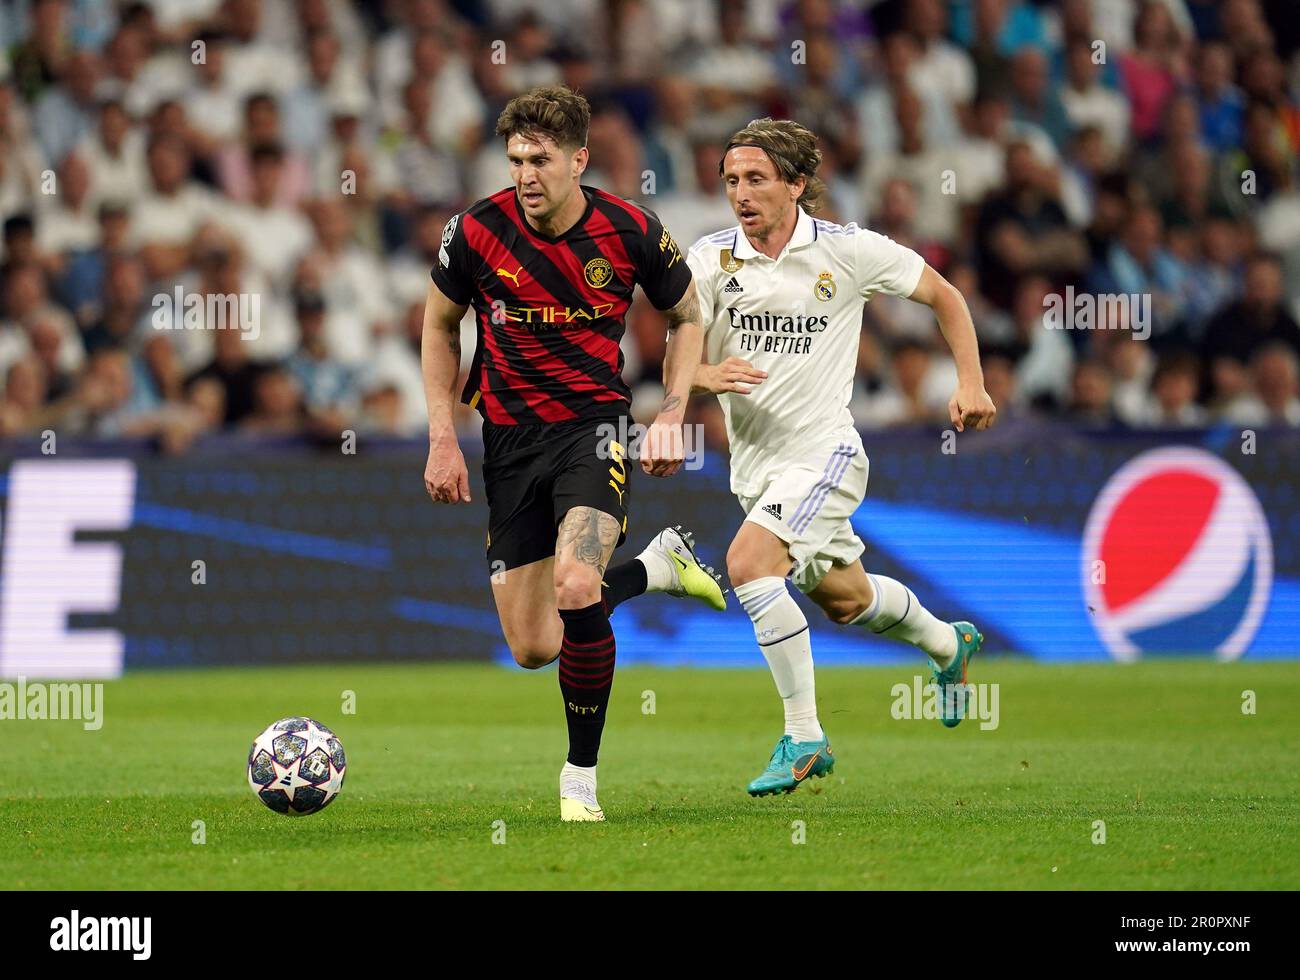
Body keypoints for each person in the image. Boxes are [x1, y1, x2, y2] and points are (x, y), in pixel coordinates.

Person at [420, 86, 724, 822]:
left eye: (542, 159)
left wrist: (672, 409)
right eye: (517, 158)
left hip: (595, 431)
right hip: (508, 440)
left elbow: (688, 316)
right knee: (533, 646)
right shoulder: (476, 232)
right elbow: (438, 326)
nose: (526, 174)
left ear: (580, 160)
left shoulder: (630, 230)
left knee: (577, 582)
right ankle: (655, 568)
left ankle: (579, 778)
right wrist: (440, 435)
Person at [688, 118, 996, 796]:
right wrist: (694, 384)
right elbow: (685, 338)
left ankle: (804, 735)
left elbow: (945, 295)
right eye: (732, 180)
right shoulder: (709, 258)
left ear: (797, 184)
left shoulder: (849, 251)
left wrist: (971, 382)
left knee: (748, 565)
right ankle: (950, 644)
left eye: (757, 179)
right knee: (847, 601)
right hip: (758, 469)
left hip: (825, 452)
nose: (742, 193)